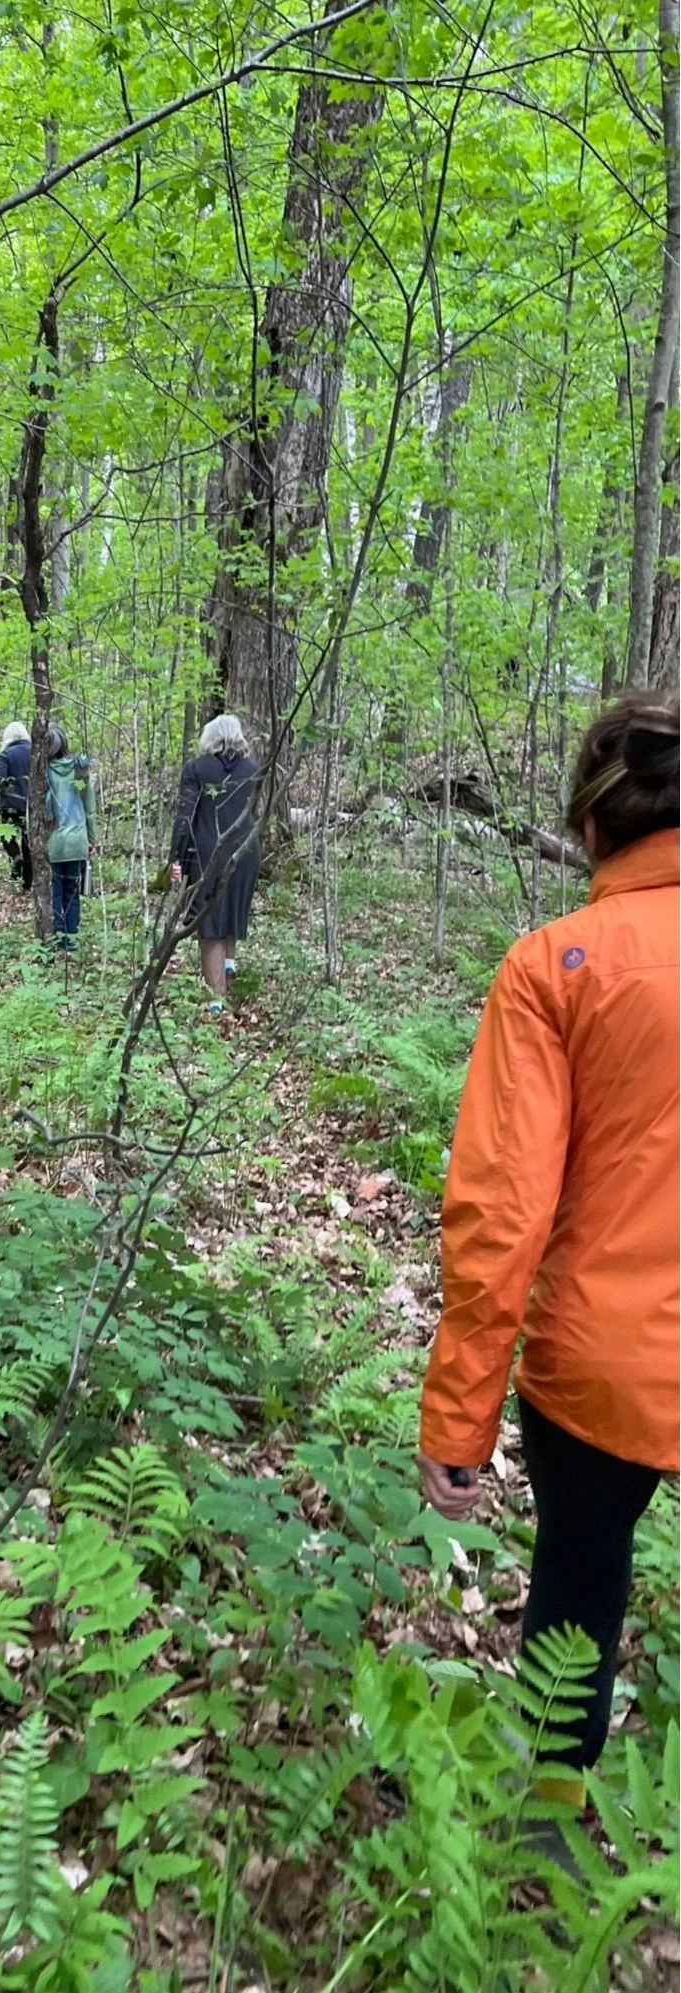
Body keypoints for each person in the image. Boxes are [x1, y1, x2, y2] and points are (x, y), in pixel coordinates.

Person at [418, 692, 679, 1804]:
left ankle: (551, 1818)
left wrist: (456, 1421)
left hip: (601, 1369)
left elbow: (501, 1213)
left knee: (579, 1576)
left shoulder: (552, 968)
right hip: (620, 1360)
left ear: (585, 827)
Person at [168, 714, 261, 1012]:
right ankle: (229, 970)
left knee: (209, 924)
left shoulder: (197, 768)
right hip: (247, 851)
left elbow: (185, 817)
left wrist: (176, 858)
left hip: (207, 854)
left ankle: (216, 1004)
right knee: (232, 913)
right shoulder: (253, 769)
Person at [44, 725, 96, 949]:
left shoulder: (43, 773)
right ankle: (71, 942)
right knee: (72, 894)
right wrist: (91, 838)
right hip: (76, 841)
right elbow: (88, 806)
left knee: (56, 892)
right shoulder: (79, 769)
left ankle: (58, 940)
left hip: (53, 842)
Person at [0, 721, 33, 888]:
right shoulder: (35, 752)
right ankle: (28, 882)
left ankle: (15, 857)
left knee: (7, 836)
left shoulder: (5, 755)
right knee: (29, 841)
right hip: (31, 804)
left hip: (11, 804)